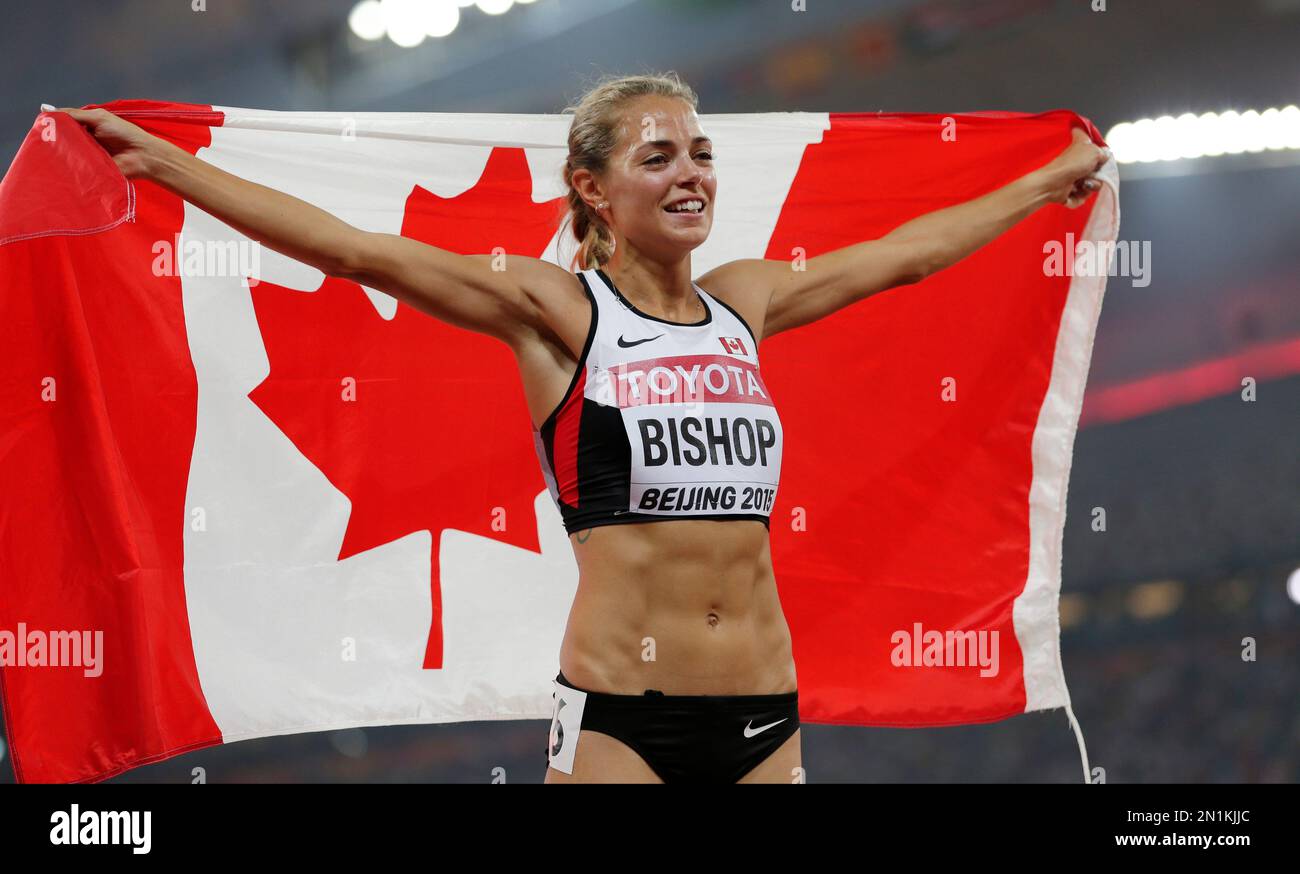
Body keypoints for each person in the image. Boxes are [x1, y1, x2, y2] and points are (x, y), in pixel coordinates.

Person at [55, 71, 1109, 784]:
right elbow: (357, 253)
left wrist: (1040, 185)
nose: (690, 172)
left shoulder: (747, 301)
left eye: (699, 153)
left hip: (765, 710)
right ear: (592, 189)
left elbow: (908, 256)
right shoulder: (557, 313)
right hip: (622, 715)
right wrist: (169, 171)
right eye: (658, 158)